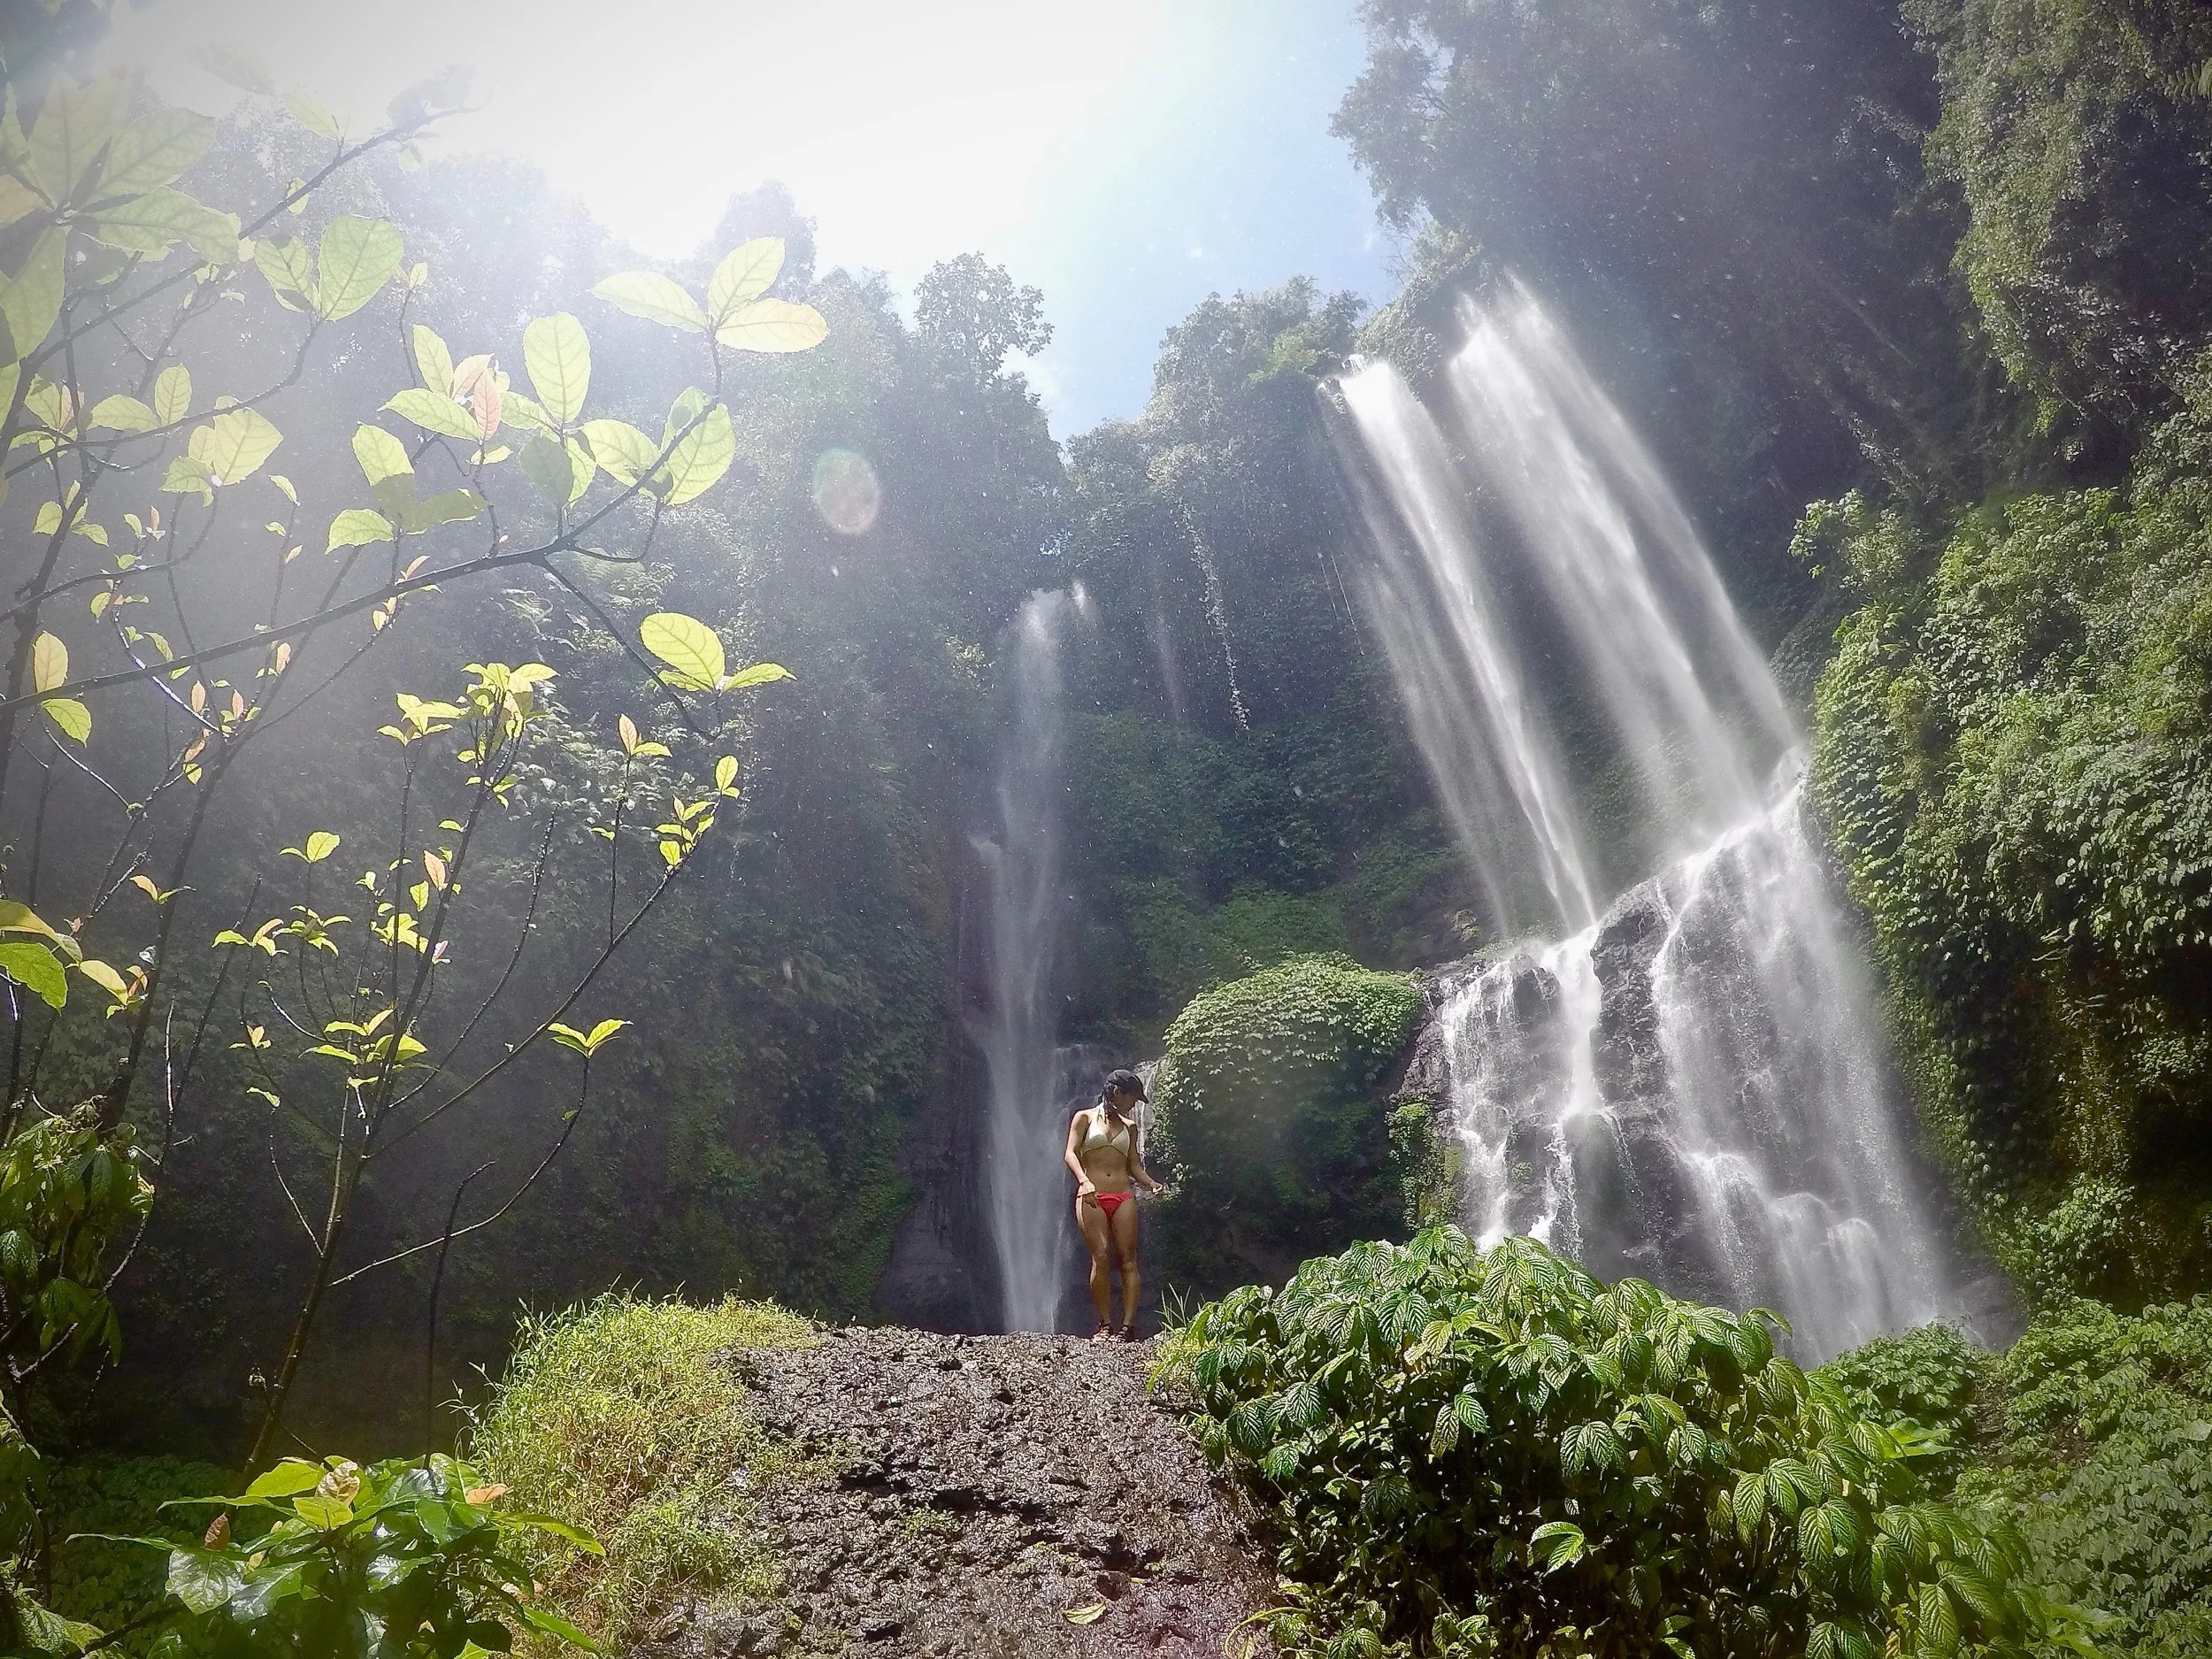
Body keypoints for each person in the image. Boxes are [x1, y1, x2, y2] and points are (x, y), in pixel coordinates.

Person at [1064, 1068, 1164, 1341]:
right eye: (1132, 1098)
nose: (1134, 1105)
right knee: (1101, 1256)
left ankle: (1127, 1327)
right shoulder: (1083, 1118)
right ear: (1117, 1093)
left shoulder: (1130, 1127)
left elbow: (1134, 1166)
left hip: (1123, 1196)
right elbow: (1070, 1153)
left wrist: (1151, 1184)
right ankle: (1105, 1325)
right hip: (1091, 1195)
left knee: (1128, 1260)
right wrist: (1084, 1181)